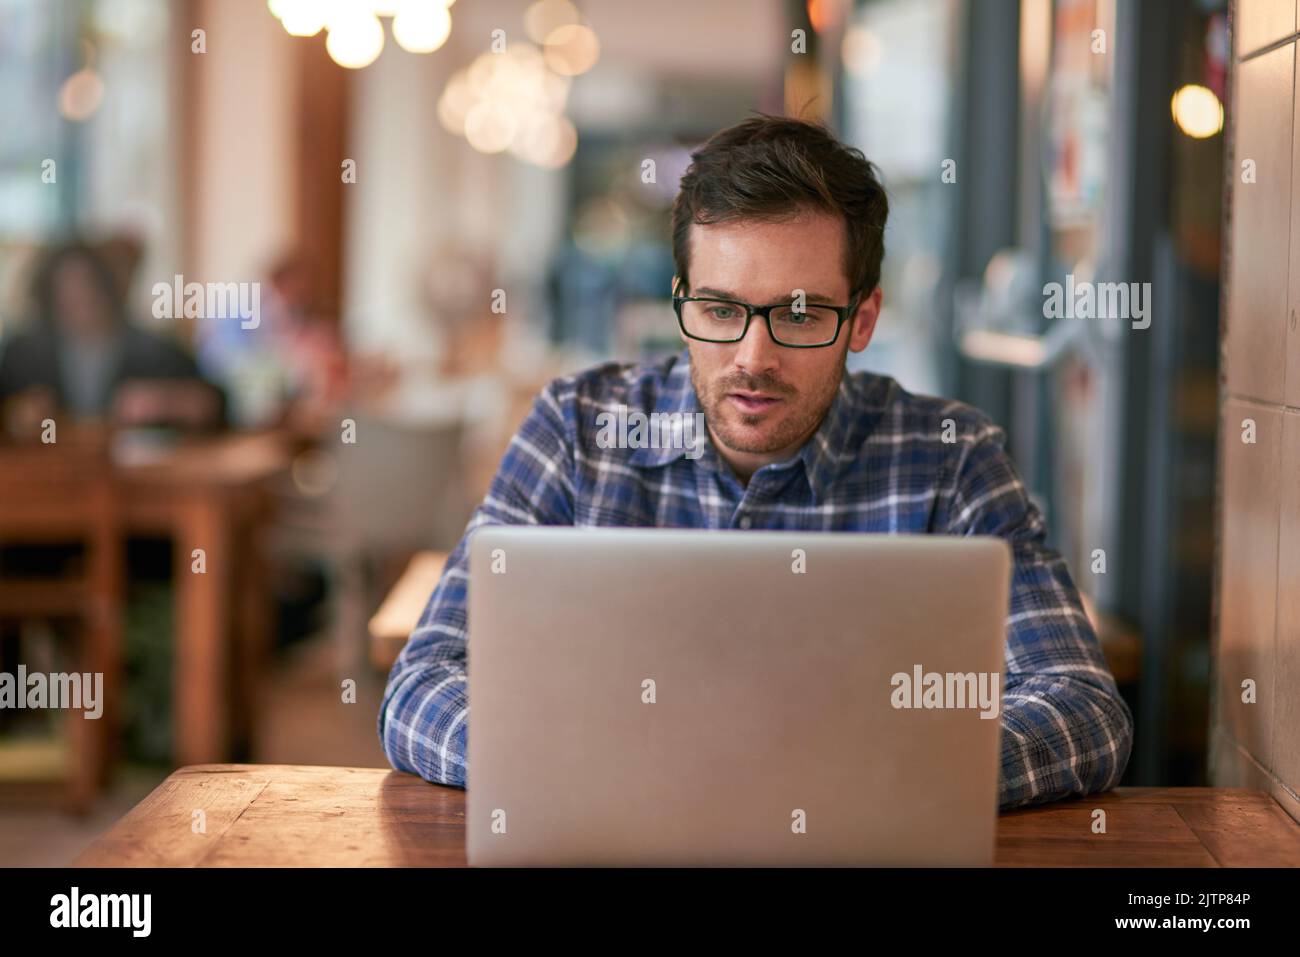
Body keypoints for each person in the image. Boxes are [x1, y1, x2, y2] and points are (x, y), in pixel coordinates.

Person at [378, 115, 1134, 811]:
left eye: (800, 314)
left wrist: (864, 770)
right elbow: (422, 683)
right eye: (720, 309)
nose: (752, 358)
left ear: (861, 318)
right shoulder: (579, 431)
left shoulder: (950, 459)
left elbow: (1085, 709)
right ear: (681, 302)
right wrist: (591, 764)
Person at [0, 241, 224, 435]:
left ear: (107, 290)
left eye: (86, 288)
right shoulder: (23, 355)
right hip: (42, 475)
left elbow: (218, 404)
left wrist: (167, 402)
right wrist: (14, 414)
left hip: (134, 478)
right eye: (66, 292)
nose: (78, 302)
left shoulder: (154, 351)